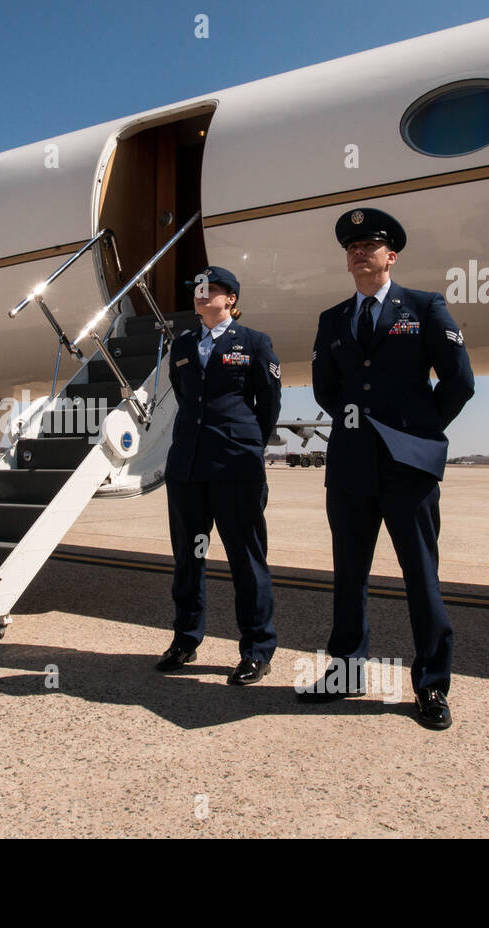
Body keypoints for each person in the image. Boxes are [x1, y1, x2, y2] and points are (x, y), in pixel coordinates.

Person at [304, 208, 474, 730]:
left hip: (409, 468)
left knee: (420, 576)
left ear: (390, 255)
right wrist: (361, 430)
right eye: (352, 247)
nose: (359, 253)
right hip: (352, 468)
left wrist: (416, 431)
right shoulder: (332, 320)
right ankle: (348, 673)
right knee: (348, 576)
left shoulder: (424, 307)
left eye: (370, 245)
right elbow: (325, 391)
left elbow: (458, 382)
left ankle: (431, 686)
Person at [157, 266, 282, 685]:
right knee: (188, 559)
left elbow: (268, 405)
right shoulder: (184, 344)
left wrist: (246, 444)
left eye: (211, 288)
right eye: (197, 287)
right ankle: (185, 639)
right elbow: (183, 393)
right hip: (188, 467)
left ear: (231, 298)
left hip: (235, 466)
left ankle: (256, 649)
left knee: (245, 559)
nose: (200, 293)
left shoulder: (254, 343)